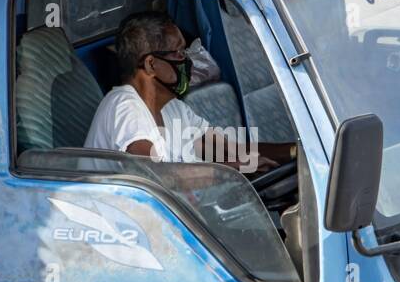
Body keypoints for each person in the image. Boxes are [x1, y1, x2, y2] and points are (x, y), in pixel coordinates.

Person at [84, 11, 294, 174]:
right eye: (179, 53)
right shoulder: (124, 106)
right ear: (150, 64)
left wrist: (296, 153)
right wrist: (226, 171)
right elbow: (153, 174)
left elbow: (233, 151)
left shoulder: (175, 109)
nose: (188, 61)